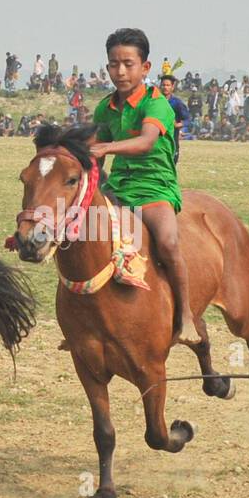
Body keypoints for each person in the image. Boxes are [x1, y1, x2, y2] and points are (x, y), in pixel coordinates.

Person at [88, 27, 200, 346]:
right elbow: (92, 152)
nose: (119, 71)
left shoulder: (157, 104)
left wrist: (107, 149)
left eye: (128, 63)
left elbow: (147, 141)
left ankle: (186, 317)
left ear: (145, 68)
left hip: (155, 188)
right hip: (120, 189)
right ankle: (86, 321)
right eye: (113, 64)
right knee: (86, 240)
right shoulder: (105, 108)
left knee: (166, 242)